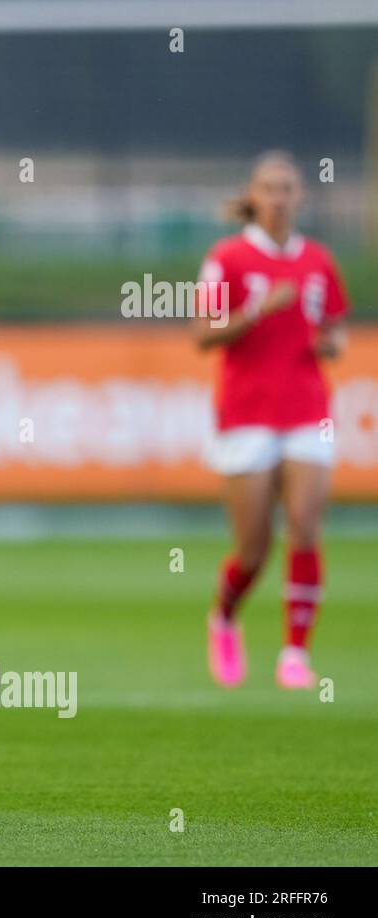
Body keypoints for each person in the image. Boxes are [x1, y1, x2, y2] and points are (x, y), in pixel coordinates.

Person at [193, 151, 348, 690]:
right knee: (254, 548)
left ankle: (295, 655)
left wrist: (332, 344)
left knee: (306, 526)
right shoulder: (227, 259)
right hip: (247, 413)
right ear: (253, 195)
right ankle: (224, 616)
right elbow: (204, 334)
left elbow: (332, 327)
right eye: (269, 188)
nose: (278, 197)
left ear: (299, 196)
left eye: (287, 188)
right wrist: (258, 310)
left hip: (307, 408)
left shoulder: (318, 260)